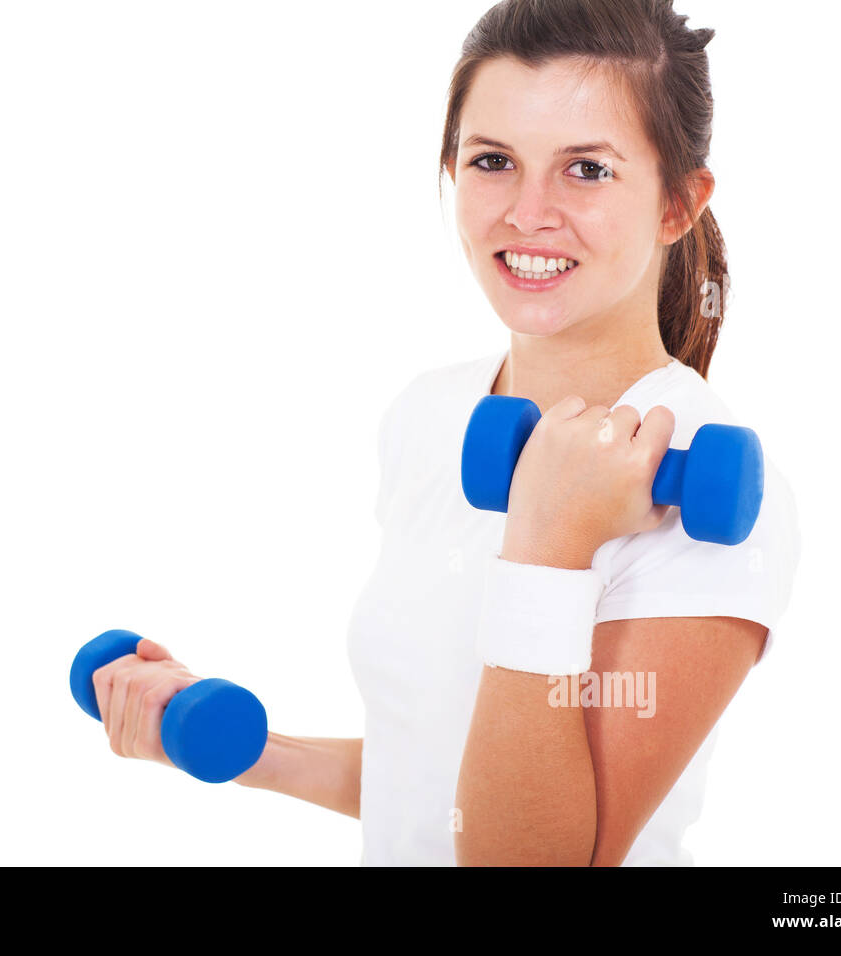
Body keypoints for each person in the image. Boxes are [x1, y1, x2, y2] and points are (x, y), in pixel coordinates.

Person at [89, 0, 801, 866]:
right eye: (494, 161)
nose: (528, 212)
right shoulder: (430, 413)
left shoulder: (705, 493)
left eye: (587, 170)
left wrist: (549, 544)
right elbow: (433, 783)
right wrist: (250, 751)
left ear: (677, 205)